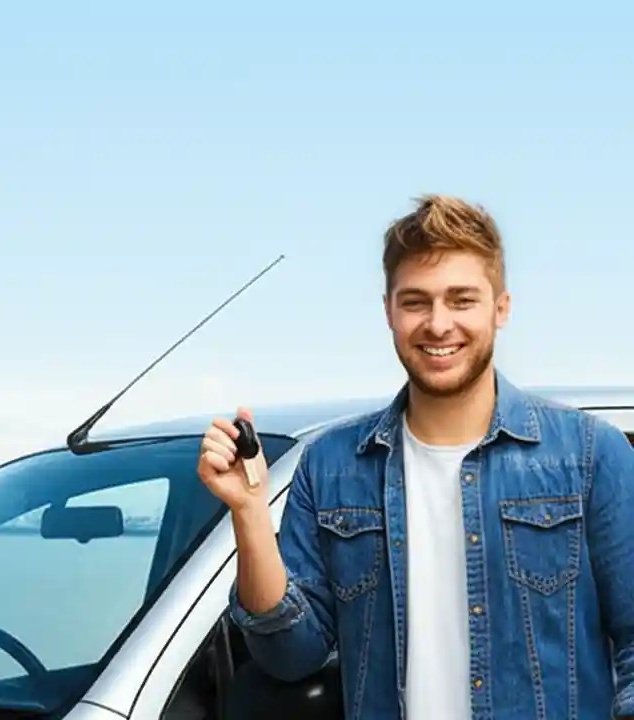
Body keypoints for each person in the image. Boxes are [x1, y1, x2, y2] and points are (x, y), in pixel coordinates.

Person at [198, 194, 634, 719]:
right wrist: (248, 512)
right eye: (415, 301)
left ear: (501, 309)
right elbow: (291, 656)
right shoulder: (330, 466)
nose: (438, 323)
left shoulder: (589, 455)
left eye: (462, 299)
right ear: (389, 311)